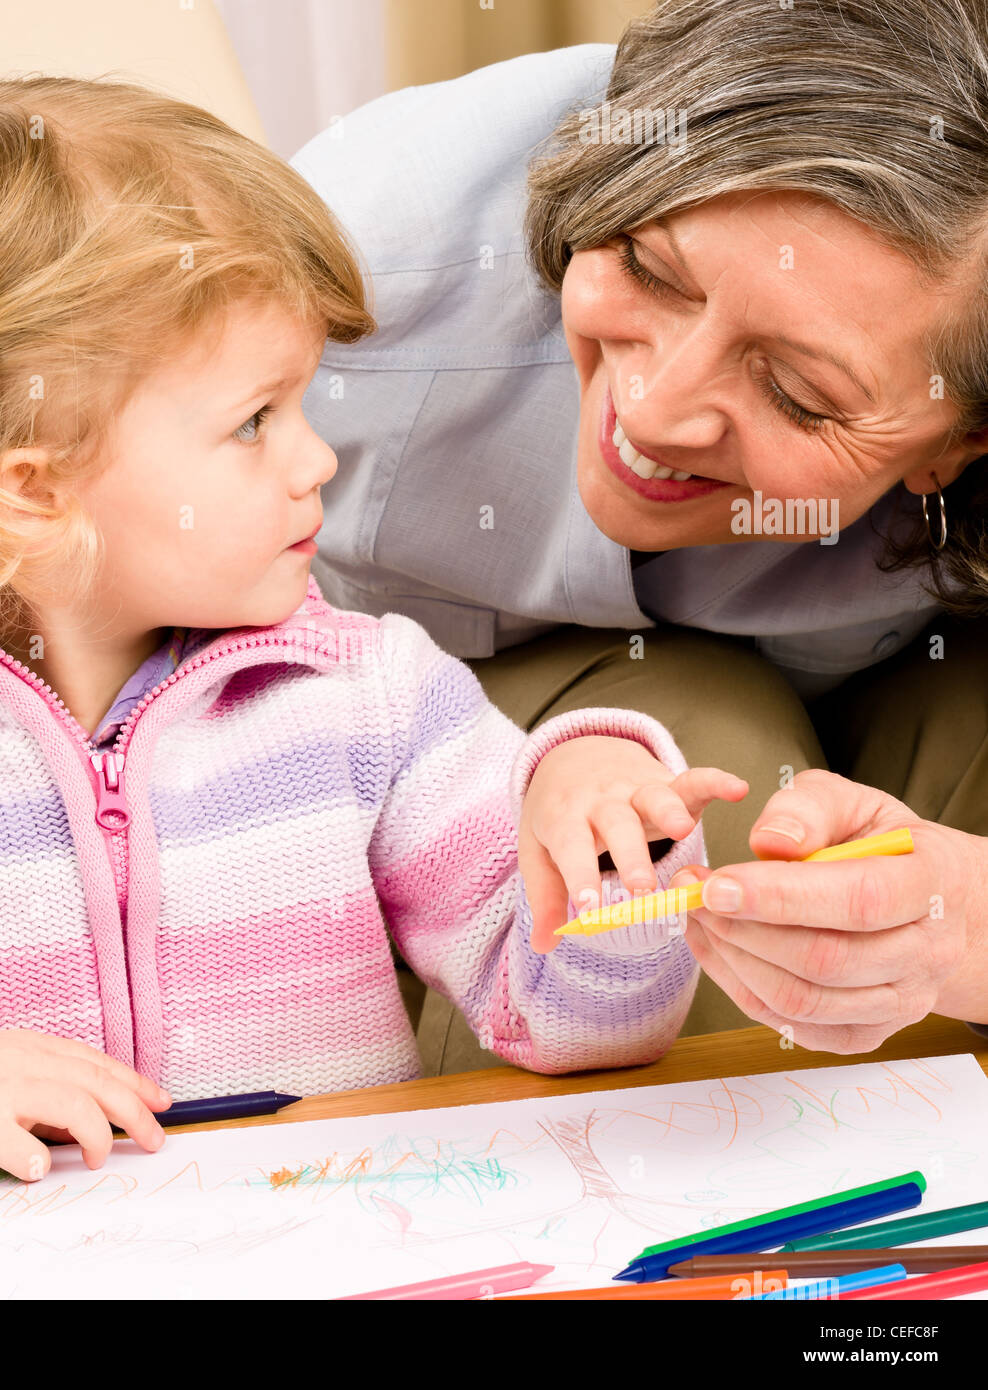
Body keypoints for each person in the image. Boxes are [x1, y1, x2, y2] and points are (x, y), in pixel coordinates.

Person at [0, 76, 745, 1195]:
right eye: (253, 421)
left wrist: (616, 854)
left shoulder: (371, 699)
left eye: (304, 402)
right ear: (34, 491)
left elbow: (575, 1025)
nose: (317, 460)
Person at [283, 0, 988, 1060]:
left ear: (960, 445)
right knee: (687, 778)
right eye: (651, 272)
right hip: (383, 726)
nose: (651, 409)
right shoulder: (355, 265)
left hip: (891, 686)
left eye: (798, 392)